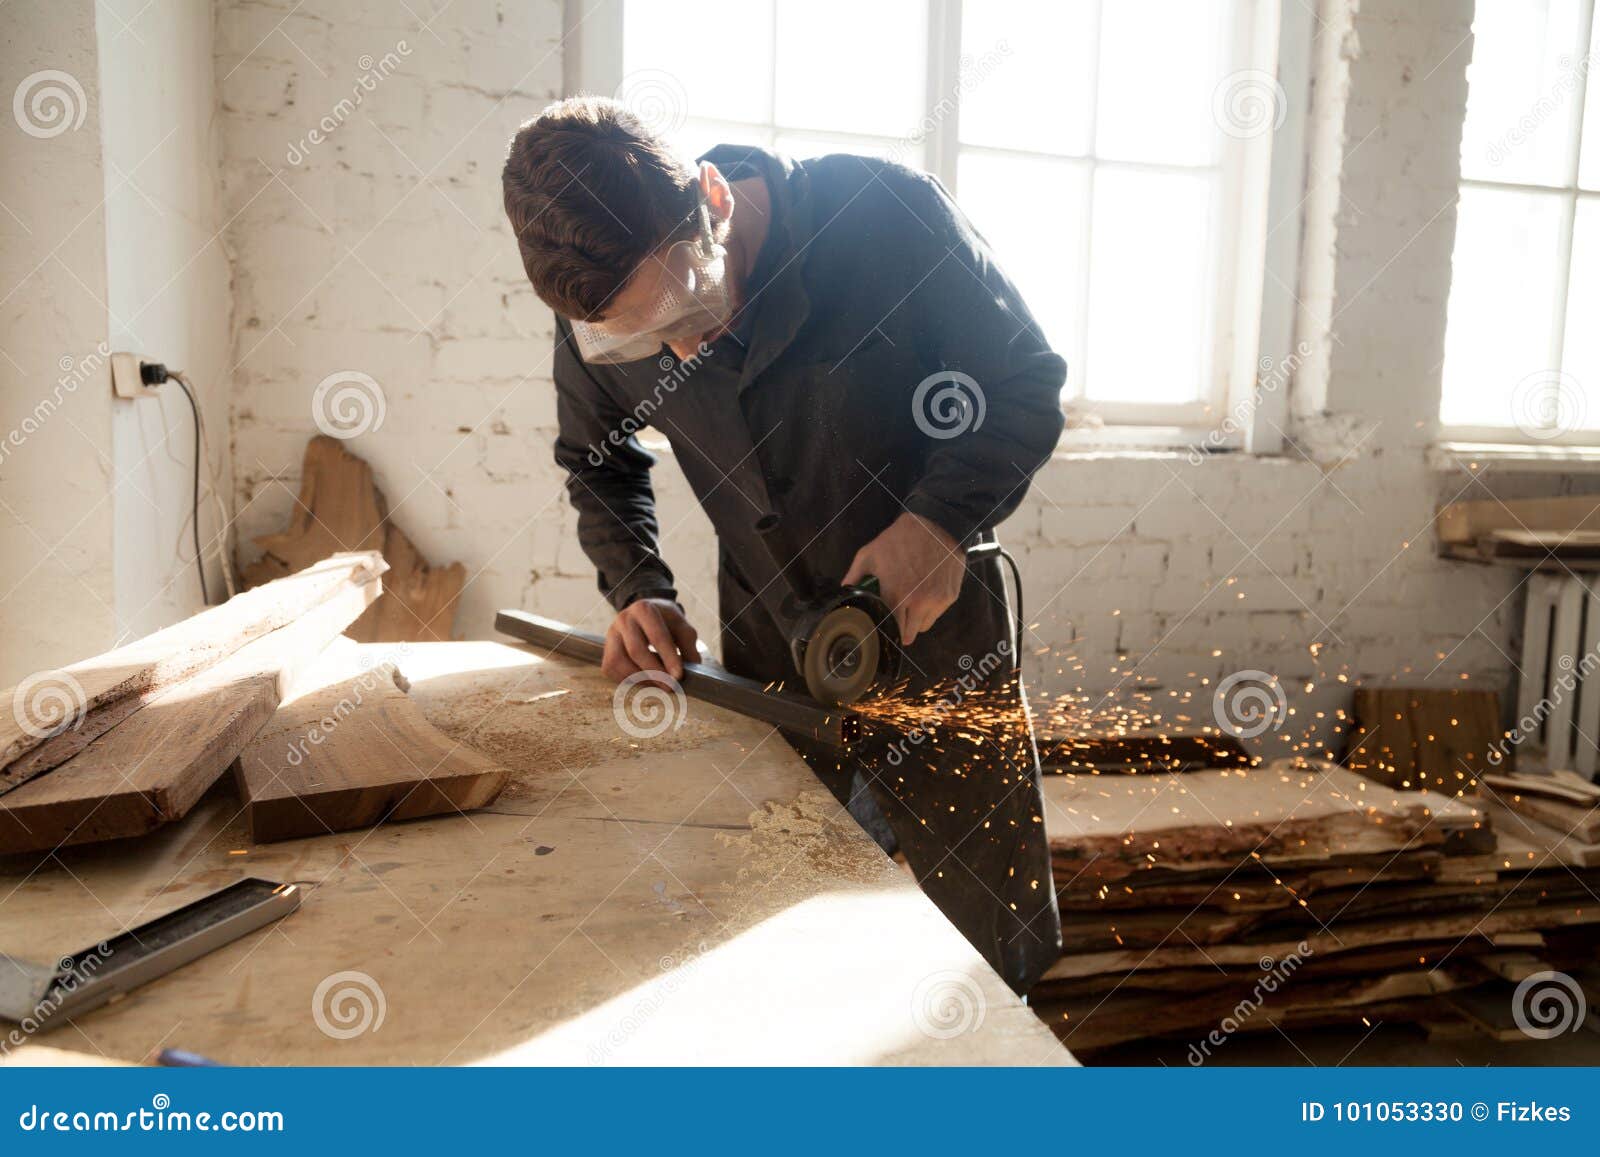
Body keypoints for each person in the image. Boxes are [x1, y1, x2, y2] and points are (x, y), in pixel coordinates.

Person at [502, 97, 1066, 993]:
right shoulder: (609, 308)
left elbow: (1027, 383)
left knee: (986, 961)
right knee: (798, 946)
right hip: (771, 665)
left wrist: (936, 522)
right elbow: (596, 460)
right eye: (645, 341)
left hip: (942, 651)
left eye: (686, 308)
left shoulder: (884, 217)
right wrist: (638, 587)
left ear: (714, 198)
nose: (679, 346)